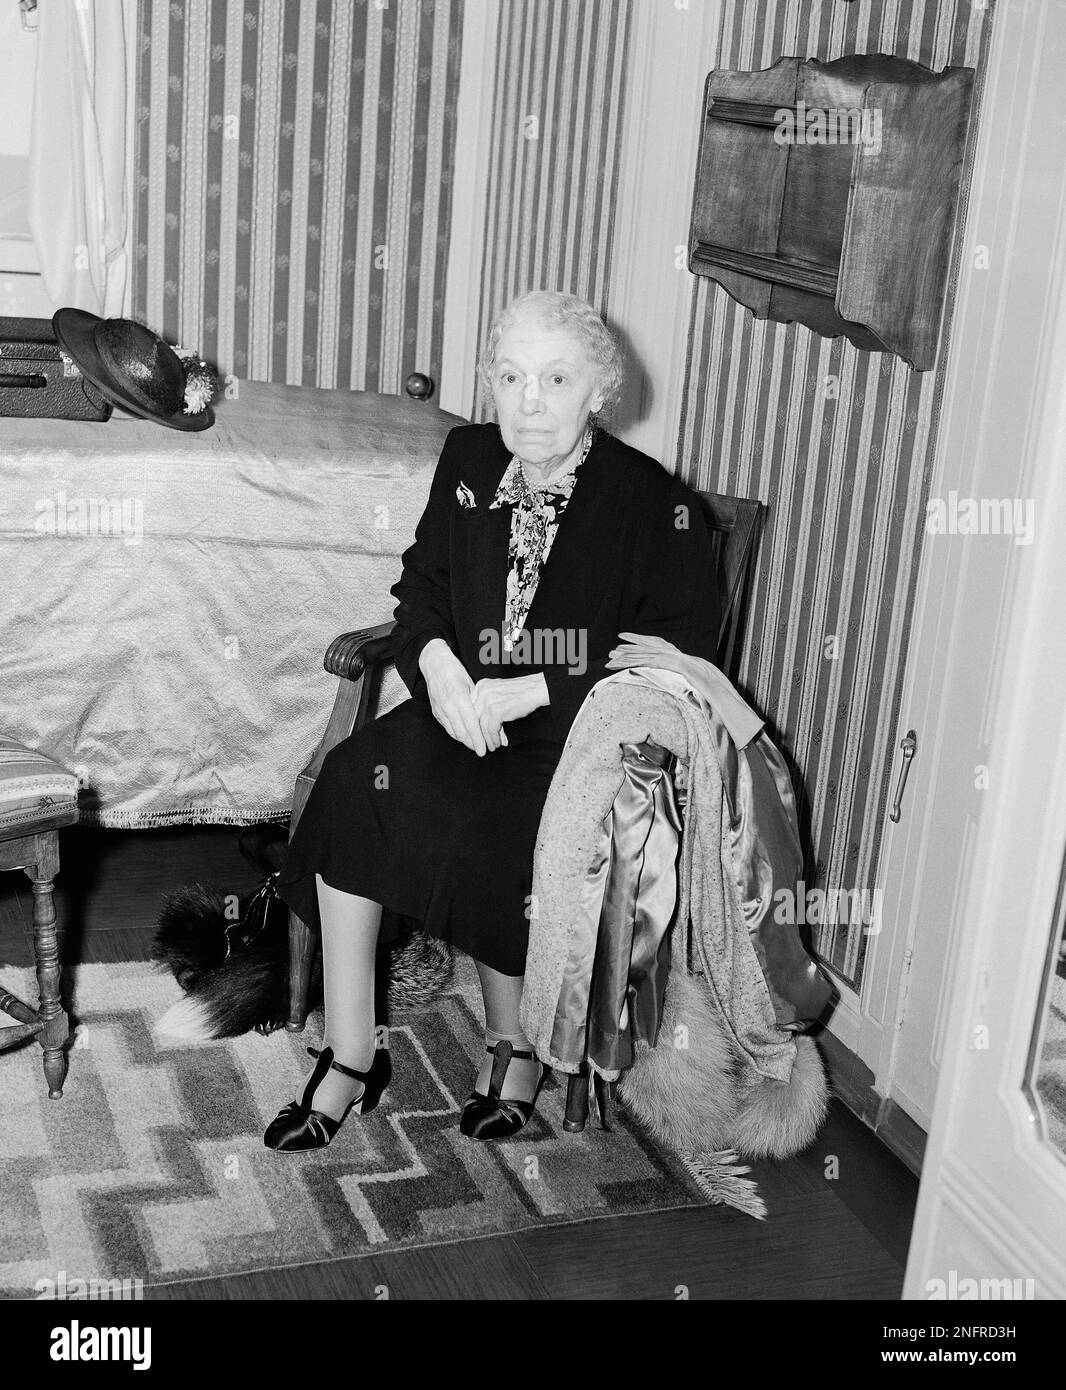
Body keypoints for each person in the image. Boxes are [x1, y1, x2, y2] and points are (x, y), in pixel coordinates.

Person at [267, 289, 721, 1150]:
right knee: (353, 782)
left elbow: (674, 650)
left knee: (500, 820)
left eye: (556, 379)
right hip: (461, 713)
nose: (528, 401)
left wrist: (538, 687)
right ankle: (352, 1053)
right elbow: (422, 588)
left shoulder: (646, 500)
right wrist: (436, 666)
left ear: (601, 392)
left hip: (576, 737)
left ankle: (513, 1048)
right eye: (510, 376)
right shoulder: (469, 458)